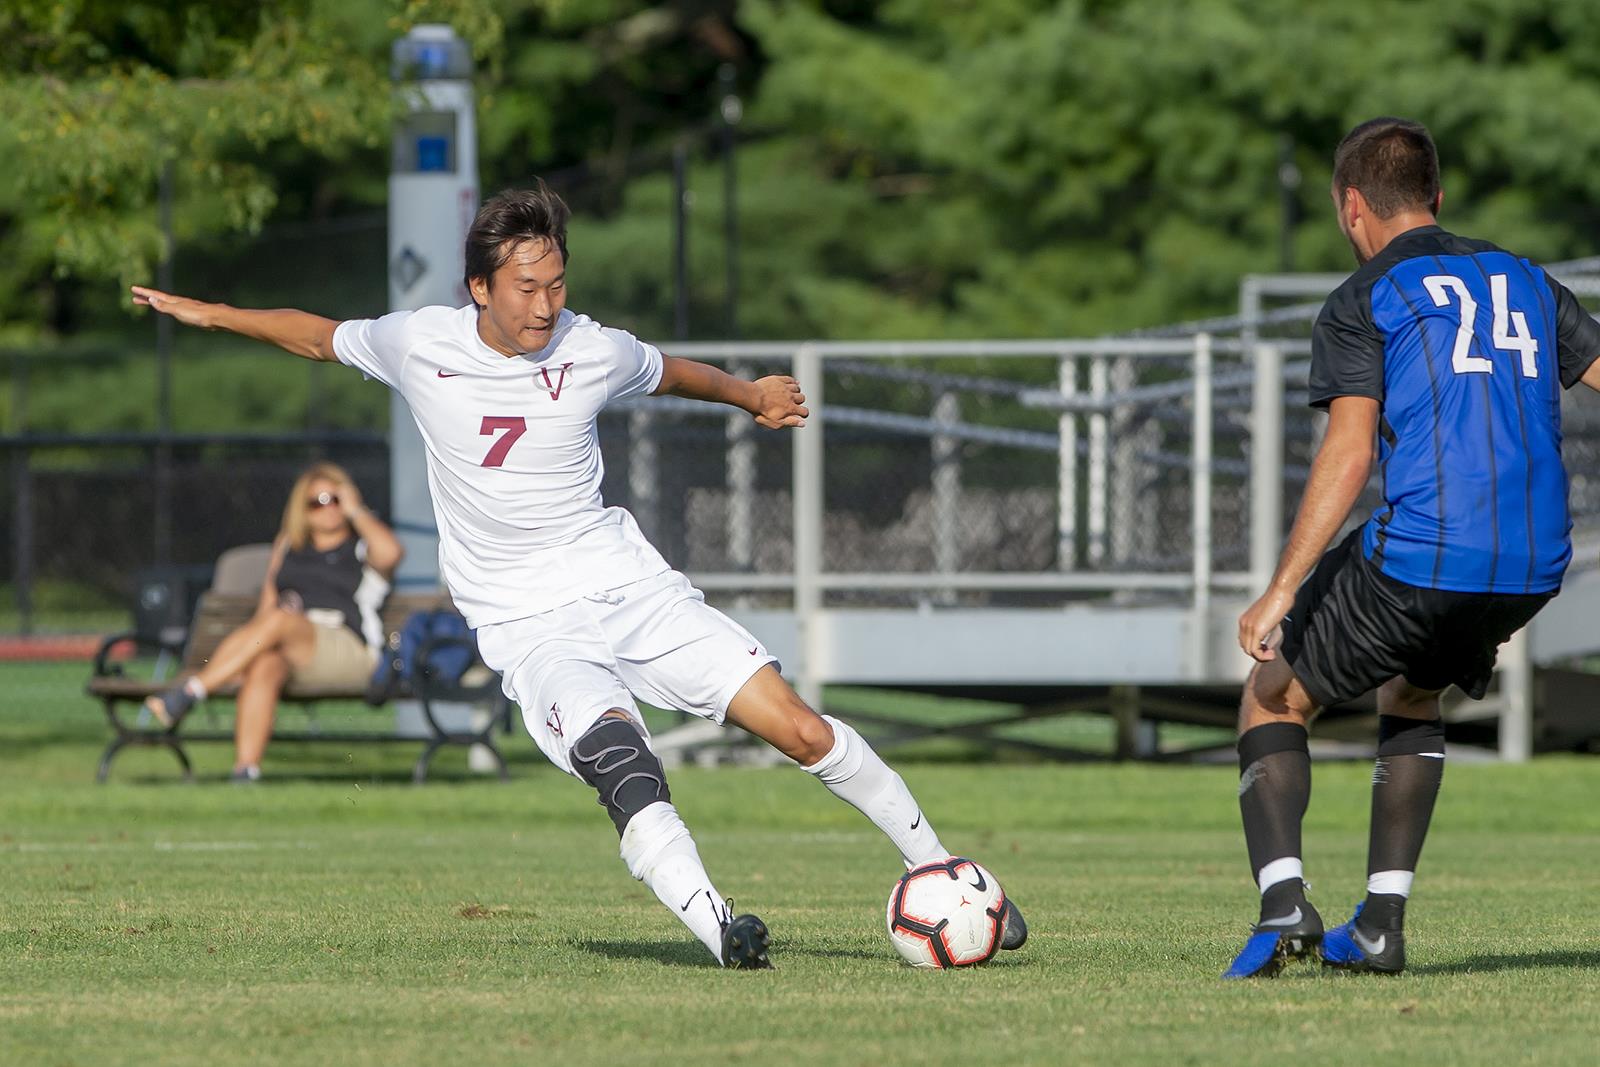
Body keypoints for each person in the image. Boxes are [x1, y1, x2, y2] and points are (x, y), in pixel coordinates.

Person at [130, 182, 1026, 969]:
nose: (545, 304)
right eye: (526, 287)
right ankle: (721, 927)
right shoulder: (420, 343)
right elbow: (319, 336)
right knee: (618, 759)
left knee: (795, 727)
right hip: (529, 623)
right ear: (478, 287)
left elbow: (673, 373)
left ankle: (940, 868)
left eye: (557, 284)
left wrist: (752, 396)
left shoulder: (591, 348)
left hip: (631, 588)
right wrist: (216, 315)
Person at [1223, 117, 1600, 979]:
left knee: (1273, 697)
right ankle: (1381, 922)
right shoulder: (1525, 279)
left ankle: (1283, 903)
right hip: (1536, 563)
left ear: (1351, 205)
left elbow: (1350, 454)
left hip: (1427, 553)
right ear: (1437, 197)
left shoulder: (1364, 298)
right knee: (1414, 688)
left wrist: (1281, 589)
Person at [144, 463, 403, 782]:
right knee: (265, 663)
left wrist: (357, 510)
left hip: (348, 647)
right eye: (316, 503)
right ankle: (245, 771)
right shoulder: (289, 546)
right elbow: (266, 611)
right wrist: (245, 657)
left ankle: (190, 691)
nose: (327, 509)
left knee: (282, 619)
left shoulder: (362, 546)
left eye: (333, 499)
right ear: (302, 510)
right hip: (291, 643)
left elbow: (391, 554)